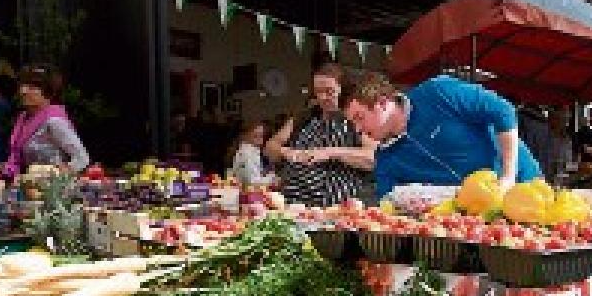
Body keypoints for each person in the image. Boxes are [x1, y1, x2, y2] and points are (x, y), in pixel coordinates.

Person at [340, 72, 542, 200]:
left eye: (359, 117)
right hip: (476, 217)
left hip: (524, 185)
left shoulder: (438, 92)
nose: (357, 129)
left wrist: (507, 176)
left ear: (383, 104)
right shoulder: (385, 160)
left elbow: (503, 111)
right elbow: (388, 208)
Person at [265, 63, 376, 206]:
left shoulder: (354, 118)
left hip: (337, 209)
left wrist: (330, 152)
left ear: (342, 89)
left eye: (329, 91)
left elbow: (374, 158)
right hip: (292, 205)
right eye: (318, 91)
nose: (323, 97)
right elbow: (269, 148)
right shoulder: (304, 117)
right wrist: (287, 152)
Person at [0, 65, 90, 181]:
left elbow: (82, 158)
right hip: (29, 189)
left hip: (52, 191)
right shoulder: (23, 119)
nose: (23, 91)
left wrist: (57, 174)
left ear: (48, 92)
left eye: (32, 87)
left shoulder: (54, 121)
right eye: (23, 85)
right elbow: (18, 158)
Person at [230, 121, 276, 186]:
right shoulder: (248, 153)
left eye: (261, 135)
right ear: (246, 135)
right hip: (248, 192)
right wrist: (272, 178)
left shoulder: (246, 150)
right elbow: (253, 181)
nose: (260, 139)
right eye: (255, 135)